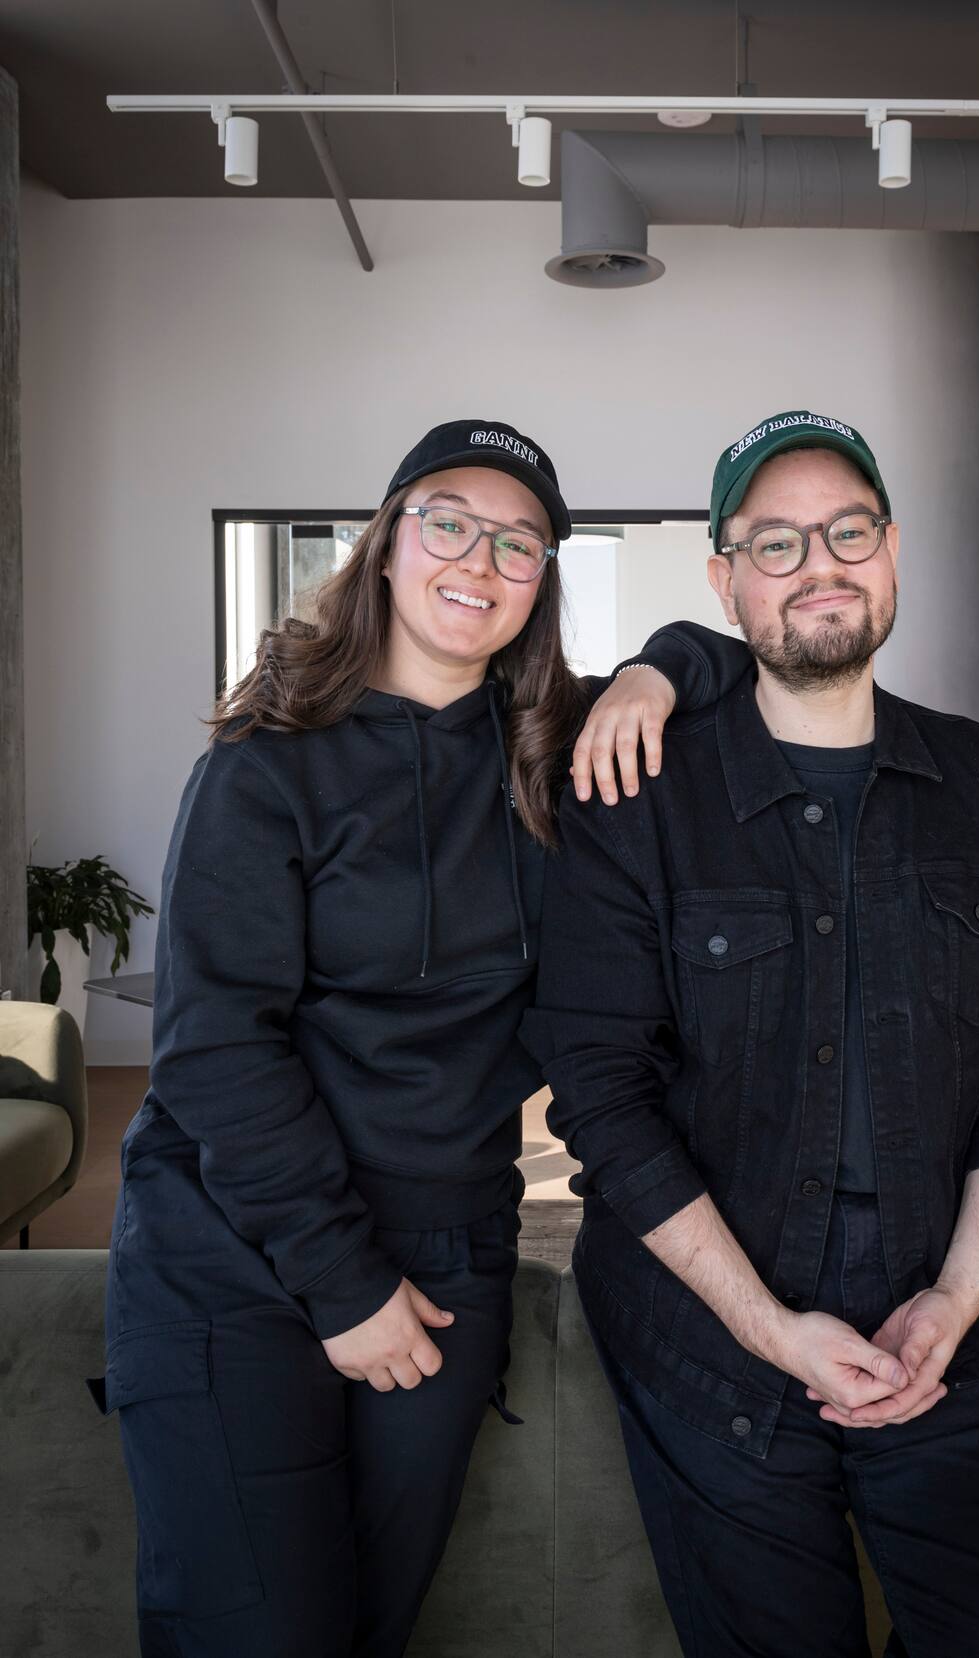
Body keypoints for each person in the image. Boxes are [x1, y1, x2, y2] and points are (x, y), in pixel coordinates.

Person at [88, 418, 748, 1658]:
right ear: (386, 542)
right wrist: (343, 1280)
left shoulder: (557, 751)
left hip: (449, 1241)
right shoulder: (263, 760)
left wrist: (658, 674)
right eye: (449, 520)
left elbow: (727, 660)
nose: (480, 557)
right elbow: (215, 1046)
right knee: (255, 1632)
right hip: (234, 1238)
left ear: (542, 577)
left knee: (369, 1621)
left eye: (520, 541)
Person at [521, 409, 979, 1658]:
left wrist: (955, 1293)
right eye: (774, 544)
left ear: (891, 551)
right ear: (724, 579)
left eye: (847, 530)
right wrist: (768, 1327)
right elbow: (601, 1094)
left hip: (950, 1319)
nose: (818, 564)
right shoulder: (638, 791)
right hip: (713, 1341)